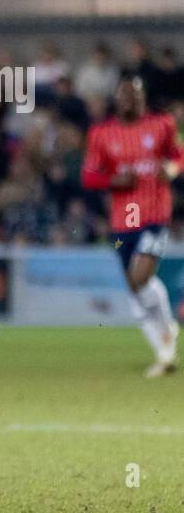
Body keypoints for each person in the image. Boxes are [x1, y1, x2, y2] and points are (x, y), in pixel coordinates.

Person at [81, 77, 182, 377]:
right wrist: (114, 181)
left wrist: (172, 169)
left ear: (143, 99)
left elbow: (178, 155)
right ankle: (165, 338)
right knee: (133, 286)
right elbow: (88, 177)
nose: (129, 101)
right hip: (123, 220)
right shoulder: (101, 133)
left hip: (154, 215)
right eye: (124, 95)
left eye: (135, 96)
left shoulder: (163, 124)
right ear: (117, 99)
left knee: (140, 277)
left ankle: (165, 345)